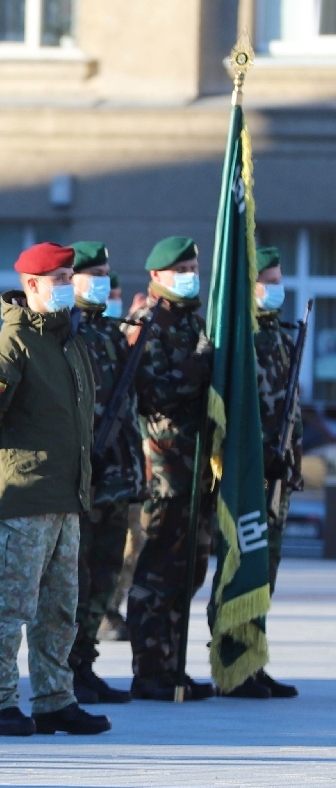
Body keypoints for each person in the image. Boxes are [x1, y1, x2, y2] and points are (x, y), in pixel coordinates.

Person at [0, 242, 110, 737]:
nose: (69, 286)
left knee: (59, 611)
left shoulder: (69, 342)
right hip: (23, 498)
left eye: (70, 277)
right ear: (31, 286)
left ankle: (53, 699)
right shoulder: (12, 344)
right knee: (9, 607)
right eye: (59, 279)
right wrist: (18, 459)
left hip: (66, 497)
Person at [125, 236, 216, 701]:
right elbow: (152, 393)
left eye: (194, 268)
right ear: (156, 276)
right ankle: (149, 671)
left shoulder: (194, 324)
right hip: (164, 470)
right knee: (157, 572)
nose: (190, 276)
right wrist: (200, 365)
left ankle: (172, 666)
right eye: (180, 270)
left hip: (197, 469)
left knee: (188, 573)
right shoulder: (147, 325)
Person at [220, 247, 302, 700]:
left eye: (278, 280)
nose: (275, 289)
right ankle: (233, 662)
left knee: (266, 571)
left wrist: (292, 464)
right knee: (243, 566)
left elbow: (291, 413)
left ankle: (254, 660)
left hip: (278, 475)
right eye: (266, 281)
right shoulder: (241, 337)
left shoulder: (281, 338)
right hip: (252, 474)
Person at [67, 241, 140, 706]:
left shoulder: (112, 334)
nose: (101, 282)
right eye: (92, 275)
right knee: (75, 580)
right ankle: (65, 669)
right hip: (82, 478)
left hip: (115, 477)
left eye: (104, 274)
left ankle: (85, 663)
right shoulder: (65, 332)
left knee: (105, 575)